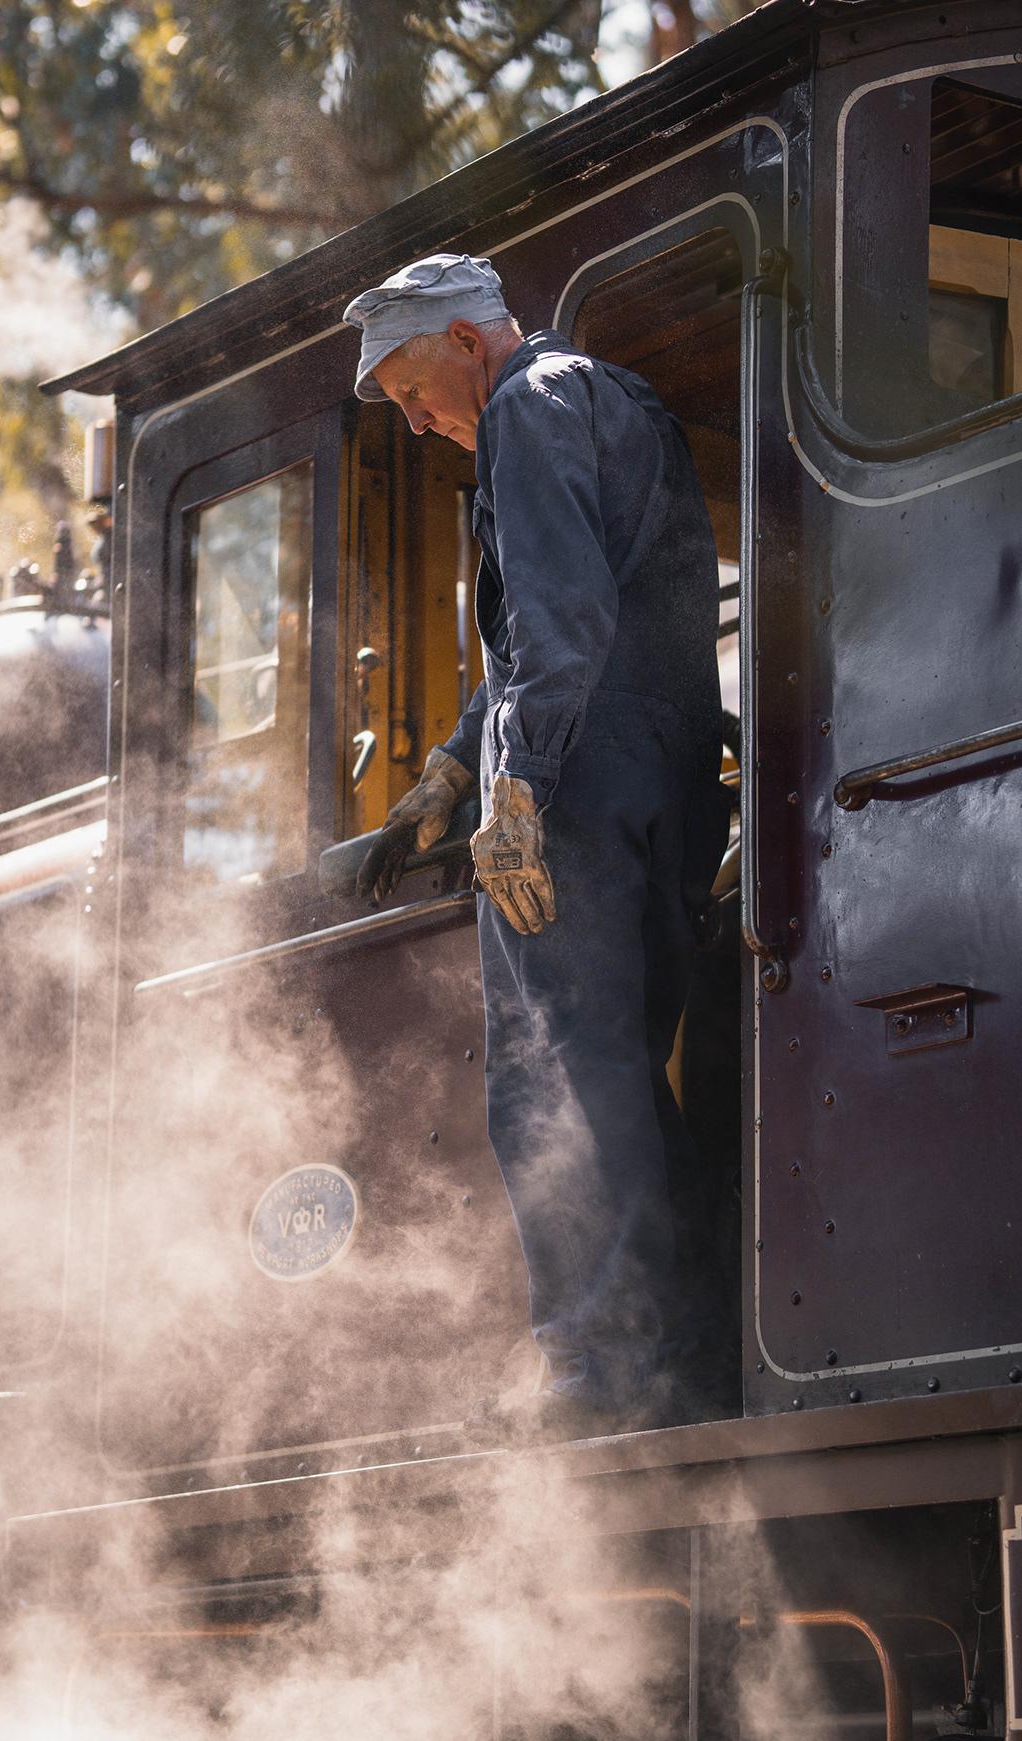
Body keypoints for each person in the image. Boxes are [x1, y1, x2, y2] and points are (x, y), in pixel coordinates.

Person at [344, 253, 729, 1442]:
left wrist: (513, 790)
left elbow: (558, 629)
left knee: (548, 1075)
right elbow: (571, 621)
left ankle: (599, 1370)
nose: (418, 425)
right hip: (660, 776)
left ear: (469, 341)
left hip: (579, 785)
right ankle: (682, 1357)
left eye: (413, 394)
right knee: (619, 1070)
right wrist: (451, 770)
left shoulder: (524, 405)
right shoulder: (611, 400)